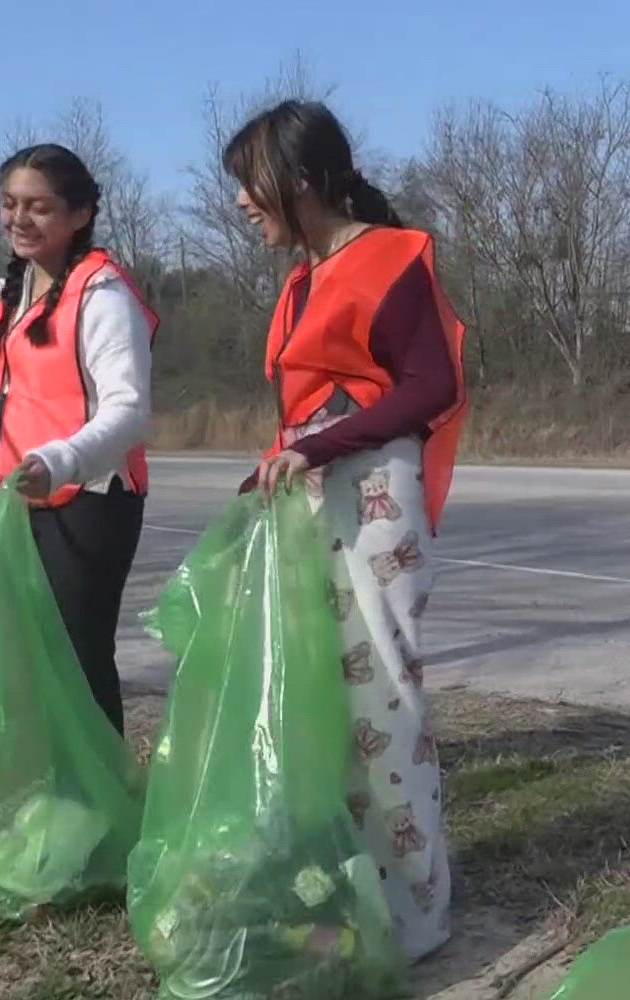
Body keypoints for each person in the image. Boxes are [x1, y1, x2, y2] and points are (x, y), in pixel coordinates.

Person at [225, 99, 468, 962]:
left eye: (250, 188)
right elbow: (314, 400)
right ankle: (345, 885)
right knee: (323, 696)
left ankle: (412, 917)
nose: (242, 206)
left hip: (372, 495)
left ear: (297, 181)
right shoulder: (302, 279)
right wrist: (279, 459)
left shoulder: (390, 260)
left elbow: (426, 386)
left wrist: (319, 446)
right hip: (318, 488)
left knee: (383, 701)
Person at [0, 143, 159, 736]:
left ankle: (99, 807)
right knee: (27, 662)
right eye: (9, 204)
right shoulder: (27, 283)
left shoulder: (105, 295)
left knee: (77, 663)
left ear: (79, 214)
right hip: (24, 497)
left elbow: (130, 410)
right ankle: (46, 799)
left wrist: (61, 461)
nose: (19, 219)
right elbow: (6, 301)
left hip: (90, 500)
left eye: (38, 207)